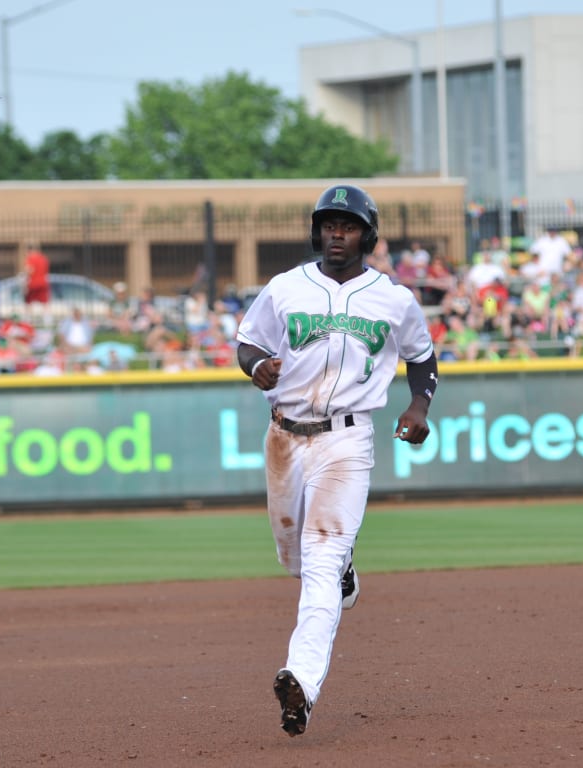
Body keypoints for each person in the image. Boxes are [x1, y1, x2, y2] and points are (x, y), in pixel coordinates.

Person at [235, 184, 436, 738]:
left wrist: (420, 404)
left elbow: (422, 357)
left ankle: (302, 681)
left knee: (318, 563)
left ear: (367, 235)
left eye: (347, 226)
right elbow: (247, 342)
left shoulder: (393, 298)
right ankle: (343, 570)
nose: (336, 234)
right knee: (294, 556)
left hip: (347, 440)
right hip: (284, 437)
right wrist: (256, 367)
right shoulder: (284, 288)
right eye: (328, 225)